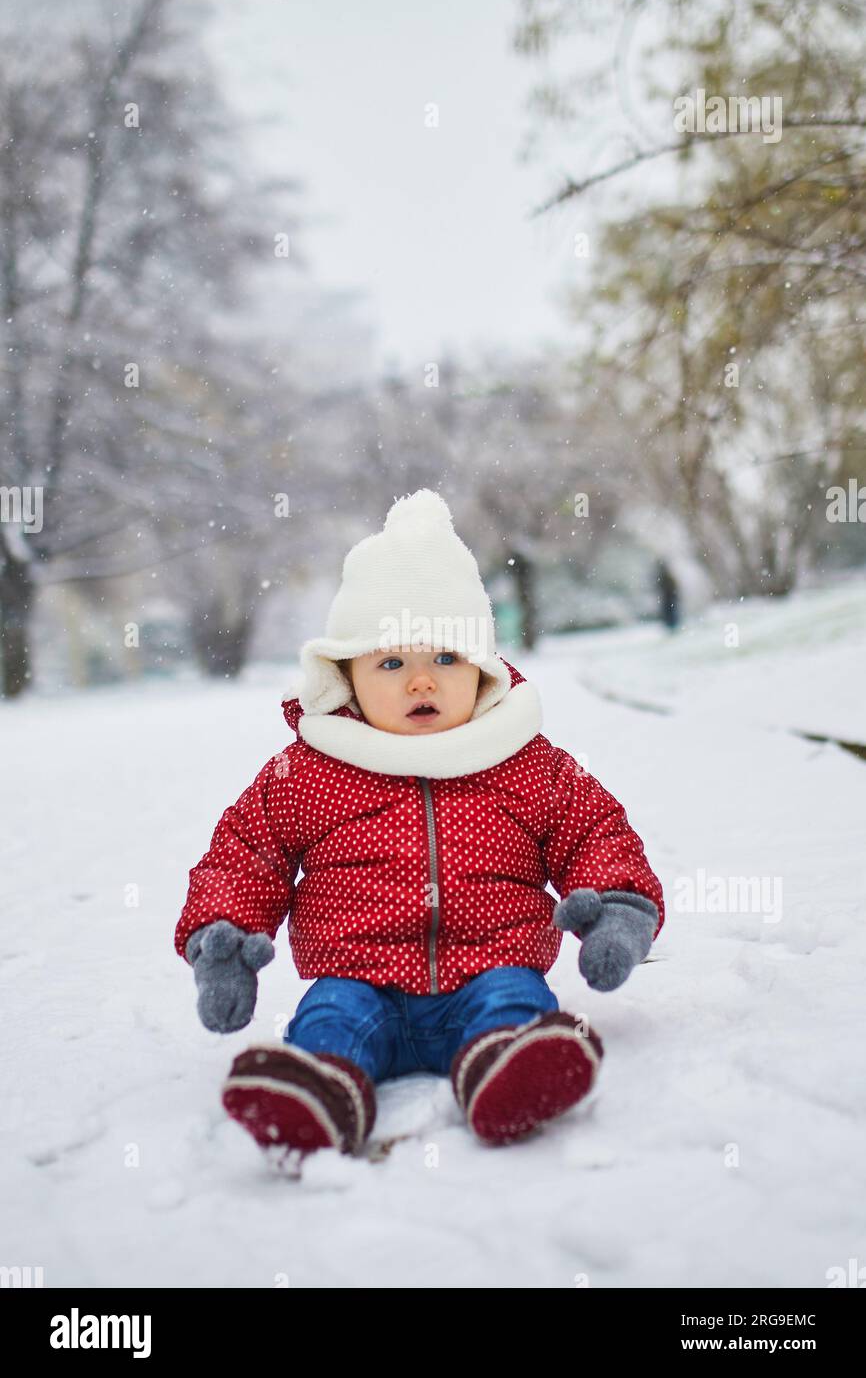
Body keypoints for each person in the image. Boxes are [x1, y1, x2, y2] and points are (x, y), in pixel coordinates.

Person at [176, 489, 665, 1156]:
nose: (421, 683)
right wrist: (223, 939)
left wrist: (617, 908)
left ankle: (506, 1068)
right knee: (329, 1020)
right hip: (356, 978)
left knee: (513, 1001)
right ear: (347, 672)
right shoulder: (310, 772)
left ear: (482, 669)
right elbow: (244, 855)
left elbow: (595, 830)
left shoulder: (523, 763)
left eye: (444, 658)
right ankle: (319, 1091)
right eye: (391, 662)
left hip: (491, 968)